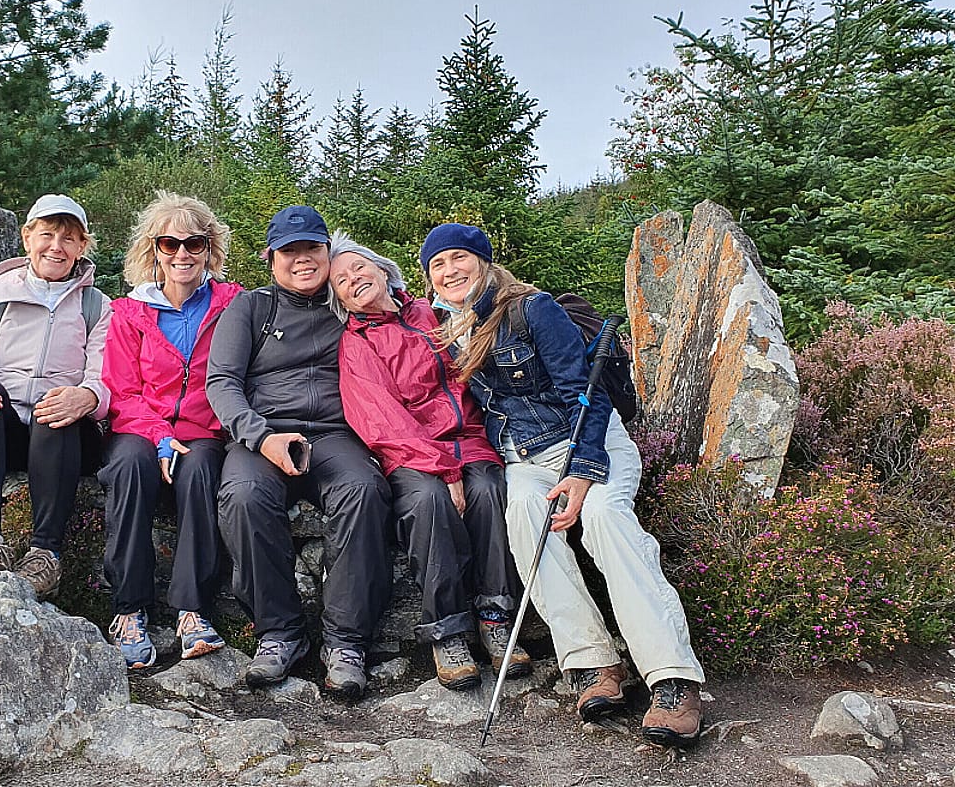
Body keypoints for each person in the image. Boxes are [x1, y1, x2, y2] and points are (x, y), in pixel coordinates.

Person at [422, 222, 706, 747]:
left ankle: (673, 680)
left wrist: (582, 470)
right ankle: (593, 662)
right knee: (524, 520)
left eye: (458, 258)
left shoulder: (533, 309)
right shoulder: (448, 329)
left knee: (604, 519)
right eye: (437, 265)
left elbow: (586, 393)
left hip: (587, 444)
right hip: (523, 461)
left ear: (484, 261)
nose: (449, 271)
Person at [327, 232, 531, 691]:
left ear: (384, 271)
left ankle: (496, 617)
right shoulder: (357, 343)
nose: (354, 279)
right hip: (409, 452)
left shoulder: (430, 313)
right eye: (341, 280)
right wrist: (442, 467)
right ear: (340, 300)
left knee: (490, 490)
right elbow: (381, 420)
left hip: (469, 438)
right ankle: (447, 631)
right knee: (429, 502)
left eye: (359, 268)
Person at [206, 206, 392, 700]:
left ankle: (347, 642)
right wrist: (261, 436)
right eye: (290, 251)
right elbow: (221, 382)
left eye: (312, 247)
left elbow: (399, 314)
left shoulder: (347, 303)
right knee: (243, 497)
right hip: (262, 435)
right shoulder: (250, 308)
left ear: (329, 252)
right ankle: (279, 633)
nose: (303, 258)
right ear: (271, 259)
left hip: (336, 435)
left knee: (364, 491)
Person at [0, 194, 111, 598]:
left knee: (58, 402)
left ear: (81, 246)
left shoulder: (96, 305)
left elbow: (103, 378)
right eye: (47, 235)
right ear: (27, 238)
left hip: (66, 440)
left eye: (68, 239)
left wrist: (86, 396)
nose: (56, 247)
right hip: (7, 433)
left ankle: (45, 554)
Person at [98, 192, 242, 668]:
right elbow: (121, 389)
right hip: (139, 426)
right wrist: (160, 435)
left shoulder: (233, 304)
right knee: (128, 468)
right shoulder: (128, 312)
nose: (182, 253)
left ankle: (192, 610)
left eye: (194, 243)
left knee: (200, 471)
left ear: (209, 248)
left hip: (205, 427)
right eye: (169, 243)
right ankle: (129, 609)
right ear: (153, 249)